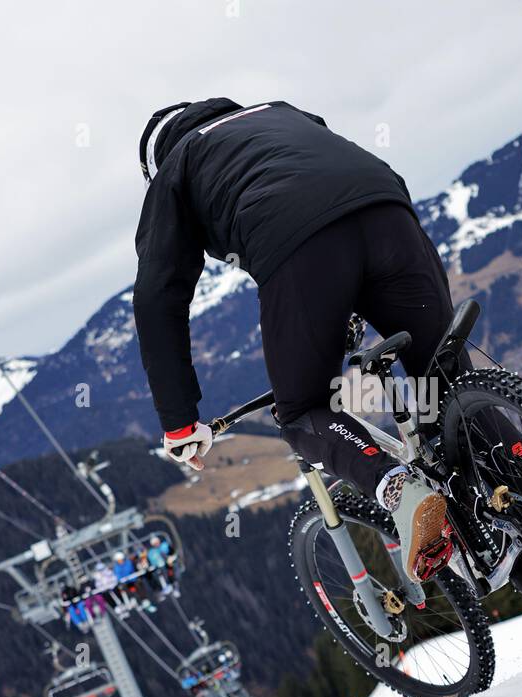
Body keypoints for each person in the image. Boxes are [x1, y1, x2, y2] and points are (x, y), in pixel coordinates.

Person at [132, 98, 463, 581]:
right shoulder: (278, 112)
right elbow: (328, 174)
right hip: (386, 206)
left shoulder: (175, 167)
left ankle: (399, 490)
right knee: (445, 377)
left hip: (298, 241)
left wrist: (179, 421)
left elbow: (157, 297)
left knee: (303, 410)